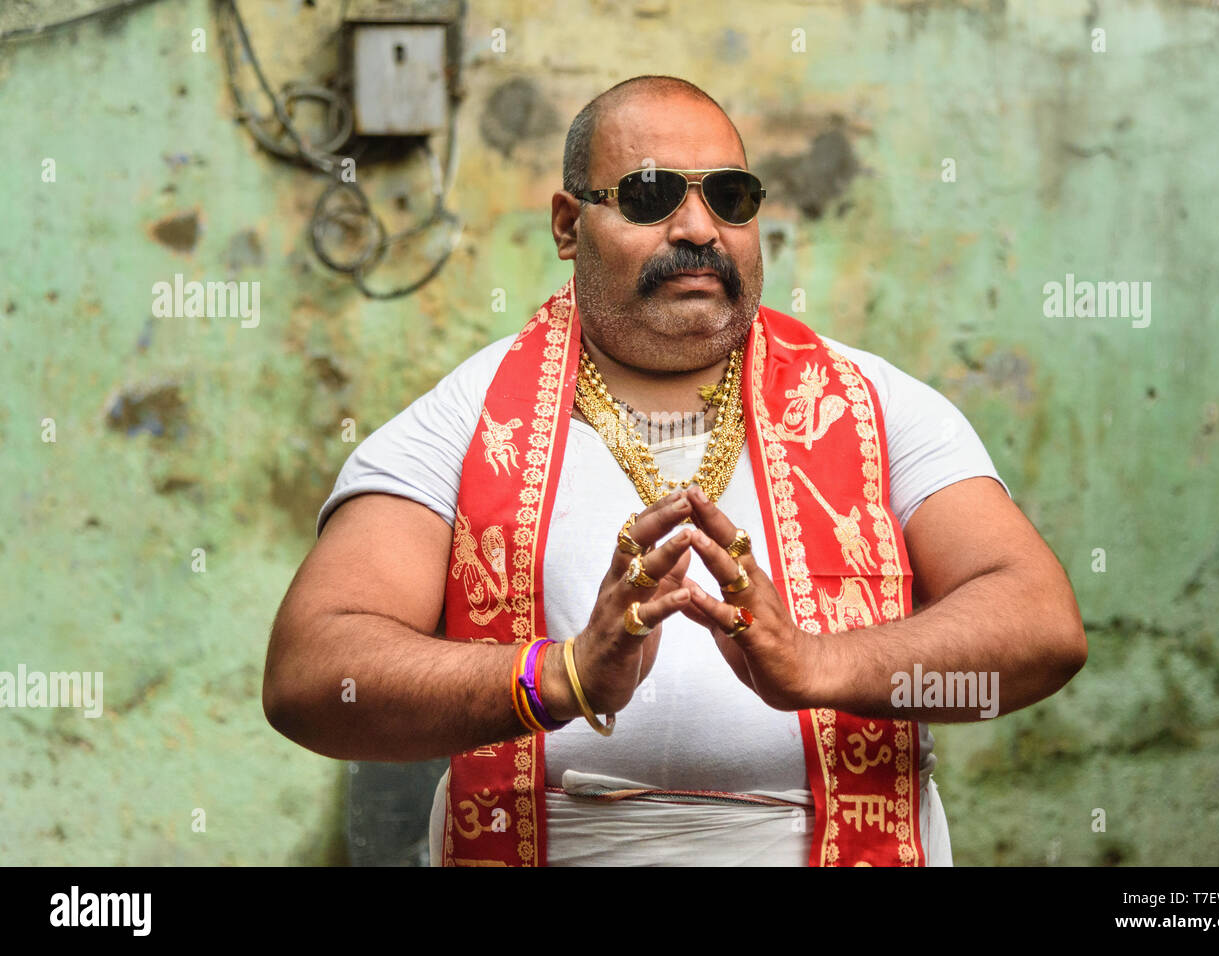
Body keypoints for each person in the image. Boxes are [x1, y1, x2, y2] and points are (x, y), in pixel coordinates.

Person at [262, 74, 1088, 867]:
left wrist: (819, 665)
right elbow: (310, 673)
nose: (699, 229)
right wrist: (563, 675)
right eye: (651, 195)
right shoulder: (468, 419)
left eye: (729, 198)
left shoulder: (876, 406)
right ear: (565, 224)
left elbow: (1042, 626)